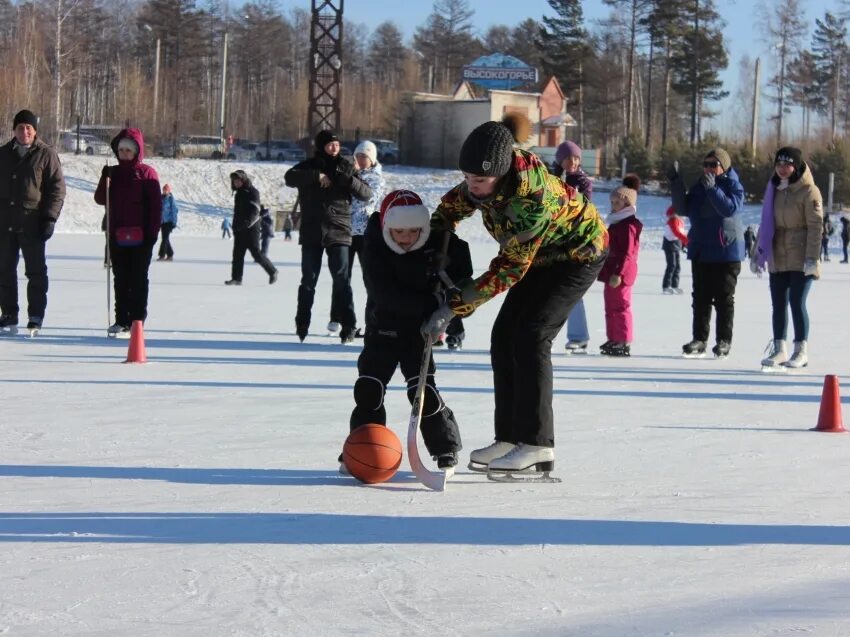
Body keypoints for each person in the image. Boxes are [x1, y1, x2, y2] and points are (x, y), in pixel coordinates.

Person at [423, 114, 608, 477]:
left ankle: (538, 444)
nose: (472, 187)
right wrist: (437, 242)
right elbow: (448, 211)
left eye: (479, 180)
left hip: (578, 255)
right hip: (539, 257)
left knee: (532, 335)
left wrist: (454, 307)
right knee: (503, 336)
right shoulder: (484, 179)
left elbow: (508, 270)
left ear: (503, 172)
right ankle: (509, 439)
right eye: (467, 178)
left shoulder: (531, 197)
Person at [349, 190, 470, 470]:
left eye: (414, 231)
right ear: (387, 228)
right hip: (382, 330)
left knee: (422, 393)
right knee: (369, 389)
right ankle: (361, 444)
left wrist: (450, 305)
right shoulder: (375, 245)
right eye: (399, 231)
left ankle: (445, 449)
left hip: (419, 334)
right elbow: (384, 294)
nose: (406, 237)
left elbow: (466, 285)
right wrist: (433, 303)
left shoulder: (439, 243)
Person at [284, 130, 373, 343]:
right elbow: (289, 178)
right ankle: (302, 323)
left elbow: (366, 193)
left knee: (342, 279)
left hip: (339, 229)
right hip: (312, 231)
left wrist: (348, 180)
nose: (334, 148)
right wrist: (316, 176)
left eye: (337, 144)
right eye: (330, 144)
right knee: (309, 280)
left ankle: (349, 325)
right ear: (321, 146)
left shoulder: (345, 166)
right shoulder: (309, 166)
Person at [668, 148, 745, 359]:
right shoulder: (699, 186)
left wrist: (713, 190)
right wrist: (676, 182)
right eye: (706, 165)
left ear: (724, 166)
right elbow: (683, 209)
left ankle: (723, 340)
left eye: (714, 165)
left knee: (724, 298)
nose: (709, 169)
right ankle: (700, 339)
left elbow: (729, 209)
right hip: (702, 248)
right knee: (701, 297)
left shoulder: (733, 185)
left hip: (726, 250)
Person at [752, 146, 823, 369]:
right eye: (779, 164)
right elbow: (766, 224)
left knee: (796, 302)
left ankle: (801, 350)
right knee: (778, 303)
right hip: (777, 255)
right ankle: (779, 349)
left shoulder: (809, 191)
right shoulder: (774, 189)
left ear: (797, 165)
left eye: (787, 164)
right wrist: (758, 252)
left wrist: (812, 258)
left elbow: (816, 227)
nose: (782, 169)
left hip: (801, 255)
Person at [0, 109, 66, 335]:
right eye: (20, 127)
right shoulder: (3, 154)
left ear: (35, 130)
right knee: (4, 270)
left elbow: (56, 190)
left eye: (28, 127)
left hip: (32, 223)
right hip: (5, 224)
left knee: (36, 272)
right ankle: (8, 315)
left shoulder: (46, 154)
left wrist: (49, 218)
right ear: (14, 130)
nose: (24, 131)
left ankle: (35, 315)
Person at [94, 128, 161, 338]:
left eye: (128, 150)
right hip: (118, 235)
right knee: (120, 278)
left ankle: (137, 320)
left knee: (138, 278)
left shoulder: (147, 173)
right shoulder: (112, 172)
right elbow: (99, 199)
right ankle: (121, 320)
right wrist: (104, 182)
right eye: (121, 149)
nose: (124, 153)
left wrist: (152, 233)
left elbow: (156, 207)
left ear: (136, 151)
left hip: (142, 236)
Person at [553, 140, 593, 354]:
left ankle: (579, 336)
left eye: (577, 158)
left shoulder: (582, 181)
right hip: (550, 240)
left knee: (572, 289)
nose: (574, 162)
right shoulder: (550, 178)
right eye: (569, 158)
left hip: (573, 240)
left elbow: (584, 208)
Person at [599, 181, 642, 357]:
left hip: (620, 273)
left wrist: (619, 273)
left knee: (621, 307)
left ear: (627, 204)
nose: (613, 206)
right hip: (611, 271)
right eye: (612, 202)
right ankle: (614, 338)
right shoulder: (617, 223)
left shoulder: (629, 226)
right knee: (610, 306)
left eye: (617, 203)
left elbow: (628, 253)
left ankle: (623, 340)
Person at [348, 140, 385, 336]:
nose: (361, 161)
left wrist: (351, 177)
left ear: (372, 159)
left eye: (364, 157)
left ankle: (372, 323)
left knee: (370, 279)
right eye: (358, 157)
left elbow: (367, 197)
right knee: (342, 279)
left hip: (365, 233)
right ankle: (346, 322)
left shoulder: (376, 178)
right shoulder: (350, 173)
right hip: (345, 231)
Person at [224, 170, 278, 286]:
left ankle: (272, 271)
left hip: (251, 229)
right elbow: (238, 212)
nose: (236, 183)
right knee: (237, 254)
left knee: (256, 254)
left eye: (238, 181)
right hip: (239, 229)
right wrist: (235, 226)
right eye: (234, 181)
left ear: (243, 180)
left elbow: (256, 211)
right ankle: (236, 278)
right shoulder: (239, 193)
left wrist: (246, 224)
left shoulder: (253, 192)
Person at [663, 205, 688, 293]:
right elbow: (677, 232)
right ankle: (666, 286)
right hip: (669, 245)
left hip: (676, 244)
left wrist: (685, 244)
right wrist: (688, 241)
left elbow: (682, 233)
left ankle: (674, 286)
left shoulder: (680, 221)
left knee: (677, 266)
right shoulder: (673, 220)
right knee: (671, 265)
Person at [157, 183, 178, 261]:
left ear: (169, 191)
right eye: (163, 190)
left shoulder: (171, 199)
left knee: (165, 238)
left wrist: (174, 222)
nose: (164, 191)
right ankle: (170, 254)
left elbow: (174, 211)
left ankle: (161, 255)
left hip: (169, 222)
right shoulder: (161, 198)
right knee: (165, 238)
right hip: (162, 222)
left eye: (166, 190)